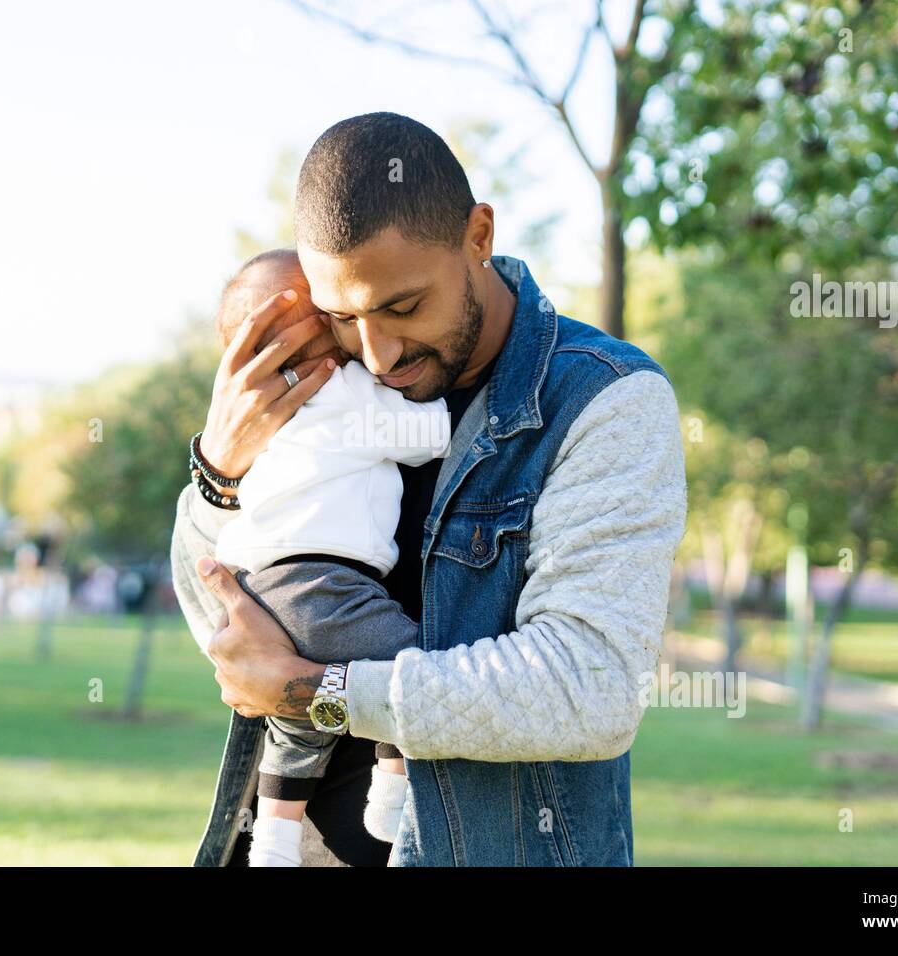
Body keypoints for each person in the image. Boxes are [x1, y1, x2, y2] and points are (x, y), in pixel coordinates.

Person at [172, 112, 687, 866]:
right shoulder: (318, 386)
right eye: (345, 315)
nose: (377, 354)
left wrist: (319, 691)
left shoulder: (606, 399)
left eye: (403, 307)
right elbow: (224, 630)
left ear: (478, 236)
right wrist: (218, 472)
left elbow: (589, 690)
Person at [196, 248, 449, 866]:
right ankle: (385, 786)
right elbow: (209, 617)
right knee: (409, 666)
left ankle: (275, 838)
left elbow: (274, 685)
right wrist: (218, 470)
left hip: (275, 596)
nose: (341, 353)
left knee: (299, 723)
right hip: (318, 594)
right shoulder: (332, 403)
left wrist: (300, 689)